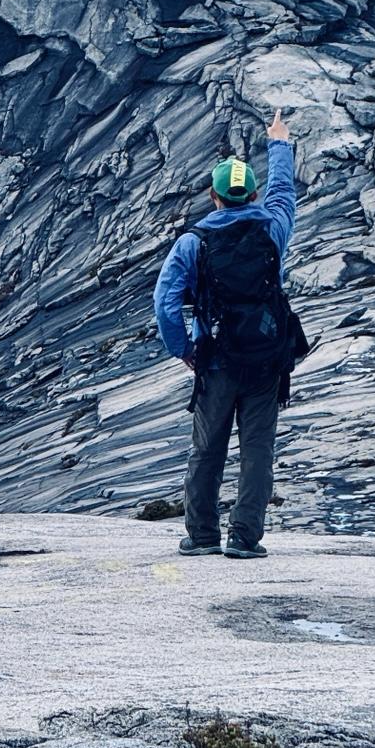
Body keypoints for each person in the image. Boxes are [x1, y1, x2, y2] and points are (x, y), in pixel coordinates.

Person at [152, 108, 303, 559]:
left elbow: (165, 303)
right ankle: (245, 537)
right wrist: (279, 143)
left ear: (214, 197)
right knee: (257, 449)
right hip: (266, 358)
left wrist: (184, 350)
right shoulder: (273, 228)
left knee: (207, 447)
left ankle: (201, 536)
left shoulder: (192, 242)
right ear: (252, 195)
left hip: (215, 358)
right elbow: (284, 192)